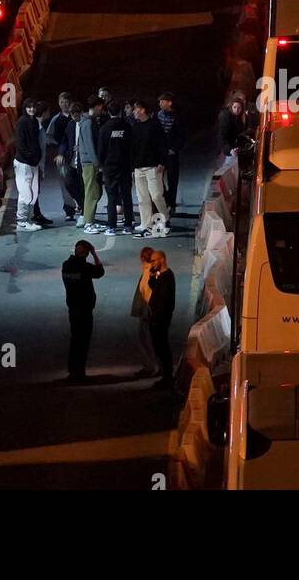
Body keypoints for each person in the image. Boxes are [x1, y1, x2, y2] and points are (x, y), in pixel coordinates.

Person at [61, 239, 105, 382]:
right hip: (84, 309)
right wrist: (94, 253)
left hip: (72, 307)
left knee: (75, 339)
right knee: (83, 341)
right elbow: (100, 271)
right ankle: (79, 372)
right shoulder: (84, 267)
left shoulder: (66, 266)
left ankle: (73, 370)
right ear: (86, 253)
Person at [129, 100, 170, 237]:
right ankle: (145, 223)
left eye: (136, 109)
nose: (134, 112)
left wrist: (162, 161)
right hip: (138, 167)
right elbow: (132, 149)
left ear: (143, 110)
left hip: (153, 166)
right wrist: (132, 168)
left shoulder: (154, 125)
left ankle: (165, 220)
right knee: (142, 198)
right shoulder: (135, 127)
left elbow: (162, 144)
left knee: (156, 195)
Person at [97, 100, 135, 235]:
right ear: (120, 111)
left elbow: (101, 149)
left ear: (108, 112)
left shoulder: (104, 128)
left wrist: (100, 165)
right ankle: (128, 225)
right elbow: (131, 147)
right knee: (126, 195)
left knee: (112, 197)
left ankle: (111, 226)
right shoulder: (127, 127)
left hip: (110, 167)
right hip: (125, 166)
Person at [146, 249, 176, 390]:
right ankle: (166, 376)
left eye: (153, 261)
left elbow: (163, 300)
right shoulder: (161, 276)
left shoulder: (167, 277)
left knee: (162, 347)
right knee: (159, 347)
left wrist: (156, 317)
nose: (151, 264)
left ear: (161, 260)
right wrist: (152, 276)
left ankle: (168, 377)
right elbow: (154, 287)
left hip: (160, 319)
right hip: (157, 317)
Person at [14, 98, 44, 232]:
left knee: (33, 191)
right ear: (25, 108)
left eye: (33, 107)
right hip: (24, 163)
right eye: (29, 107)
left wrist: (36, 158)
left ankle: (28, 219)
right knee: (25, 192)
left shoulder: (33, 122)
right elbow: (20, 145)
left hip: (32, 162)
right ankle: (22, 221)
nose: (31, 109)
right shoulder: (22, 123)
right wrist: (32, 156)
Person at [75, 99, 105, 233]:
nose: (101, 110)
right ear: (96, 106)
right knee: (91, 192)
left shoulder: (89, 121)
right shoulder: (88, 123)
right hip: (89, 163)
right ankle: (88, 223)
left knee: (94, 192)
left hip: (89, 162)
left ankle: (90, 220)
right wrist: (97, 163)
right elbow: (89, 145)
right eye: (100, 107)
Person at [48, 93, 79, 221]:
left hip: (76, 157)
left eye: (66, 102)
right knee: (65, 183)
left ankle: (81, 204)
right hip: (62, 160)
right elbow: (49, 137)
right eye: (61, 102)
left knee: (78, 182)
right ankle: (69, 209)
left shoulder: (76, 118)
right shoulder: (56, 120)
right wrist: (59, 149)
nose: (64, 104)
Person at [157, 92, 186, 214]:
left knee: (173, 179)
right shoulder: (157, 116)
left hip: (172, 154)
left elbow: (182, 135)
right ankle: (166, 198)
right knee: (157, 179)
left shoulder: (177, 117)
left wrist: (174, 148)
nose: (160, 104)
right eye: (160, 102)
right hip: (160, 153)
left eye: (163, 102)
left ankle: (172, 203)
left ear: (169, 103)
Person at [131, 247, 158, 377]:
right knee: (150, 339)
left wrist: (145, 311)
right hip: (149, 311)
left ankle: (150, 366)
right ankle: (156, 366)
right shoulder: (150, 271)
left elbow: (147, 293)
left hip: (147, 311)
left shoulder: (148, 272)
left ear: (142, 258)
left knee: (145, 339)